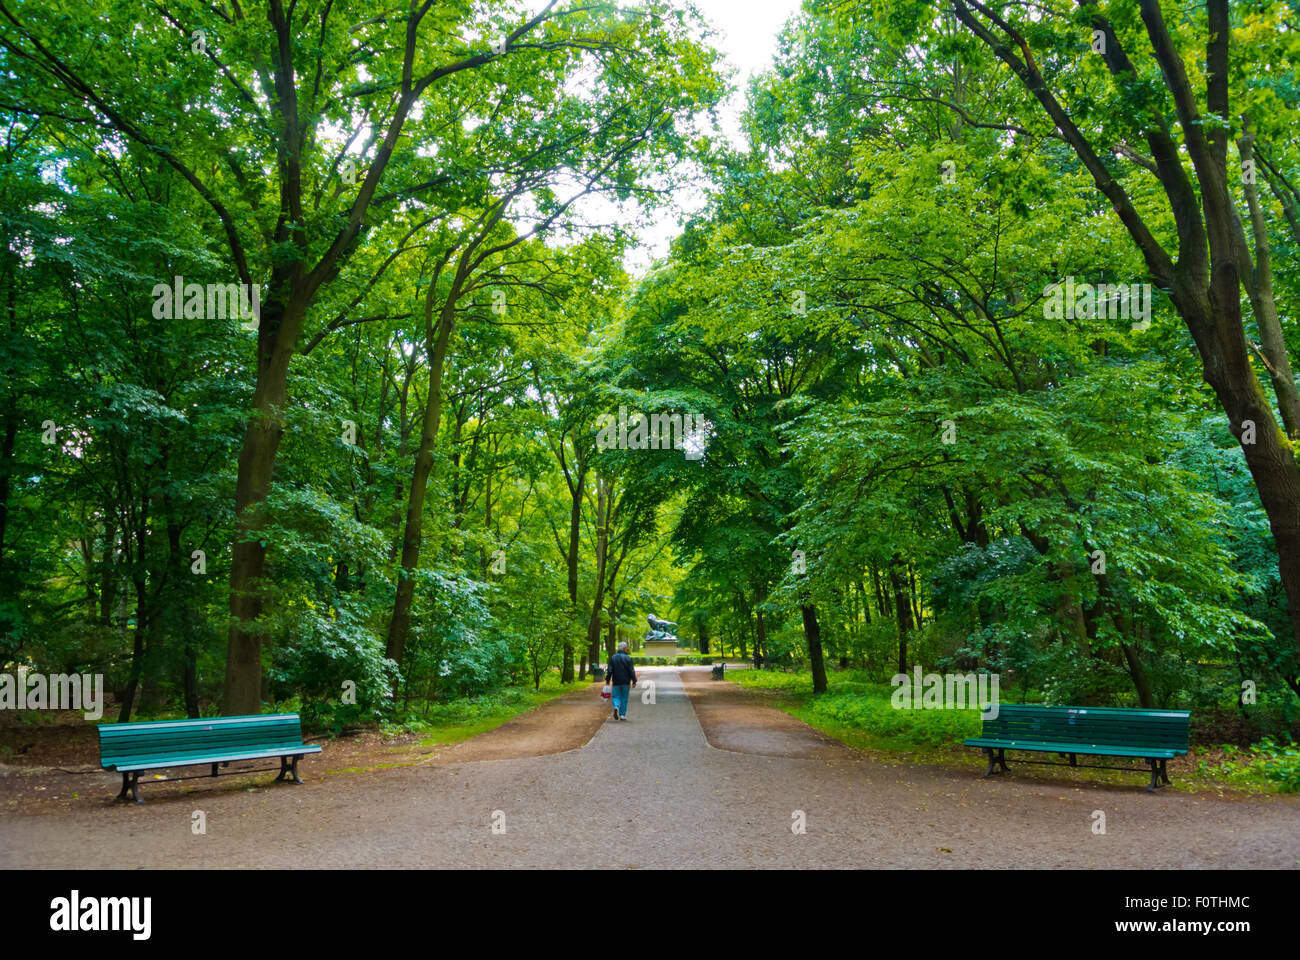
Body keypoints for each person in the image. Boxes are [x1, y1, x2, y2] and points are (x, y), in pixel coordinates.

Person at [606, 641, 637, 721]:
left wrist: (607, 680)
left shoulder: (613, 657)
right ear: (624, 649)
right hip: (626, 682)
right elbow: (631, 671)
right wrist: (634, 681)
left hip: (616, 681)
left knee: (616, 696)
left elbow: (610, 670)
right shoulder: (628, 658)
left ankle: (616, 706)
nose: (627, 649)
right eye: (626, 648)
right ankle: (622, 715)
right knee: (624, 698)